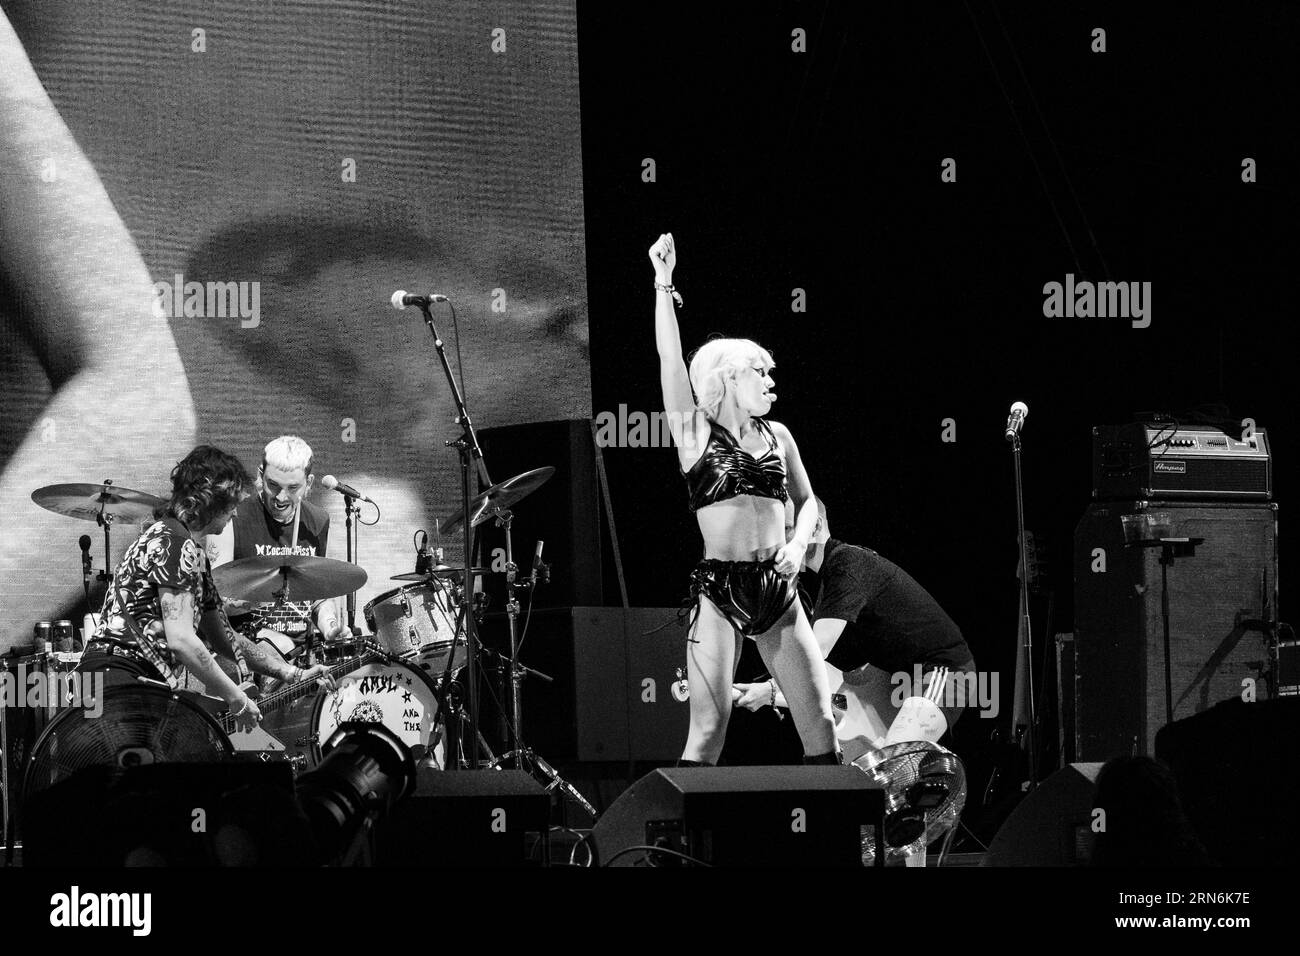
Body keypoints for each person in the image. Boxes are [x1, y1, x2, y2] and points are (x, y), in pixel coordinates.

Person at [651, 232, 838, 766]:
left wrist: (800, 543)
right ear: (728, 377)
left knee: (819, 724)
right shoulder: (694, 434)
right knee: (709, 731)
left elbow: (809, 503)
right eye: (761, 371)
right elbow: (668, 357)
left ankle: (833, 840)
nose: (771, 381)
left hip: (777, 590)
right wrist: (664, 284)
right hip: (719, 591)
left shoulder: (779, 435)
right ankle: (681, 848)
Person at [79, 445, 333, 729]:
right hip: (118, 680)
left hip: (126, 680)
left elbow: (225, 637)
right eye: (231, 505)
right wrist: (236, 698)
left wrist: (292, 673)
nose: (236, 513)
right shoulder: (174, 544)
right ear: (209, 501)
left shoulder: (194, 556)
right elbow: (182, 639)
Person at [735, 498, 977, 757]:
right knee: (878, 778)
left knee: (893, 764)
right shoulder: (830, 581)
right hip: (898, 683)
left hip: (946, 671)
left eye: (785, 530)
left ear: (814, 527)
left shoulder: (846, 565)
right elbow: (832, 677)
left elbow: (815, 654)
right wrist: (767, 692)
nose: (777, 543)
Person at [208, 435, 349, 665]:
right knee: (280, 648)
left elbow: (316, 597)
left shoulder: (317, 521)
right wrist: (258, 597)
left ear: (309, 483)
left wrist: (331, 626)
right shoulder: (232, 518)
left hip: (303, 652)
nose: (281, 497)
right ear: (260, 475)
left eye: (293, 488)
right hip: (247, 646)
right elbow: (213, 600)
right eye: (273, 485)